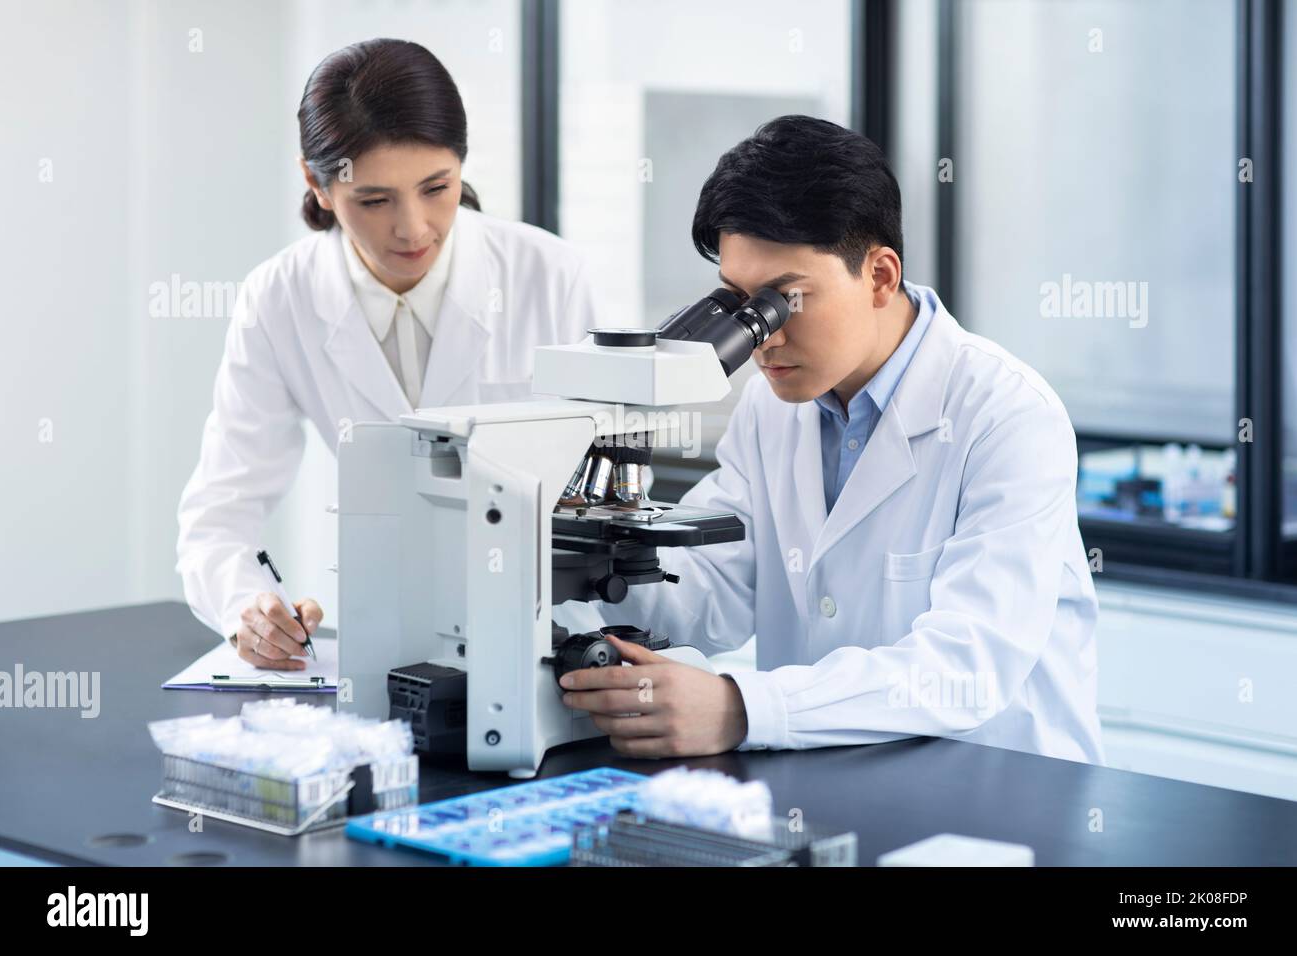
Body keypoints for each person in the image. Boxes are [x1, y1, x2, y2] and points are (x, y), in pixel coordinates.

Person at [559, 115, 1104, 765]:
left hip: (999, 790)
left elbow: (966, 667)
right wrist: (573, 569)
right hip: (831, 776)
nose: (764, 336)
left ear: (879, 275)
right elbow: (712, 593)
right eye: (738, 302)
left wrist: (739, 707)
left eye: (784, 300)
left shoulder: (1008, 415)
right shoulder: (772, 406)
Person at [177, 39, 596, 669]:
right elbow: (220, 512)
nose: (413, 228)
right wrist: (248, 608)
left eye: (437, 187)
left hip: (539, 630)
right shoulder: (278, 297)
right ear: (317, 185)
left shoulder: (549, 275)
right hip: (368, 634)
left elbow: (601, 496)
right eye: (374, 200)